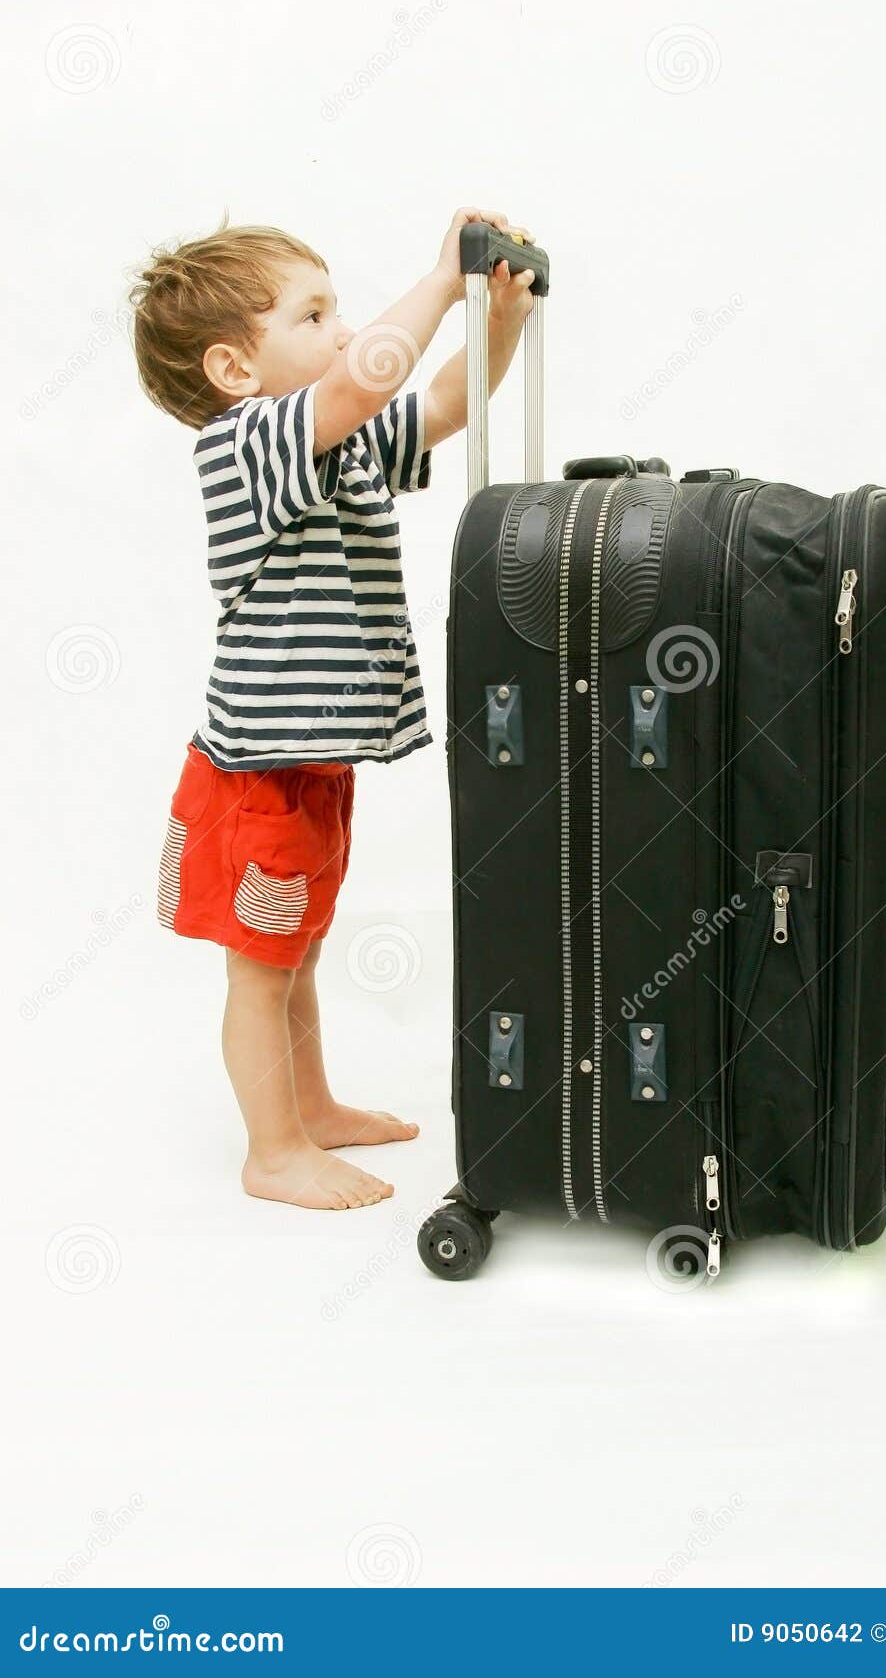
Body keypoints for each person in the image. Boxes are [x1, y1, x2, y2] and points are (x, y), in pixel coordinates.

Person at [130, 206, 536, 1210]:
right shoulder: (250, 442)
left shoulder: (337, 446)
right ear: (234, 369)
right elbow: (374, 376)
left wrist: (498, 319)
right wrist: (438, 281)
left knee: (299, 949)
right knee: (261, 969)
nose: (343, 332)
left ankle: (306, 1109)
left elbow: (441, 402)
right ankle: (272, 1152)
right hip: (256, 771)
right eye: (313, 315)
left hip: (310, 760)